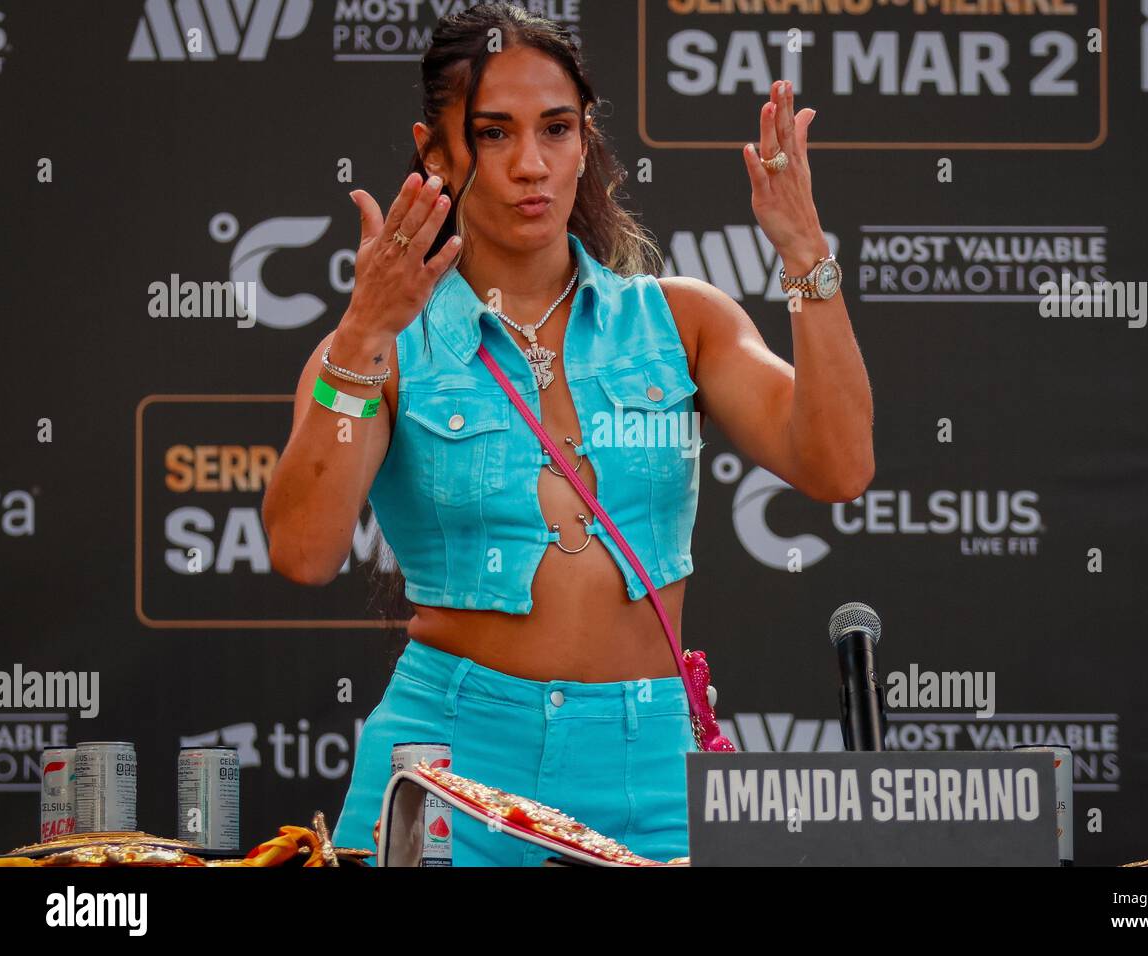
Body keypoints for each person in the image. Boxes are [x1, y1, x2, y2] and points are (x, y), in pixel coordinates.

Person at [261, 4, 874, 866]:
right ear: (435, 152)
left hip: (651, 766)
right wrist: (364, 332)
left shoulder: (683, 320)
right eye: (493, 133)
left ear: (586, 141)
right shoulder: (381, 344)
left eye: (556, 129)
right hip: (447, 758)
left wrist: (805, 251)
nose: (530, 164)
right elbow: (301, 549)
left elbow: (839, 466)